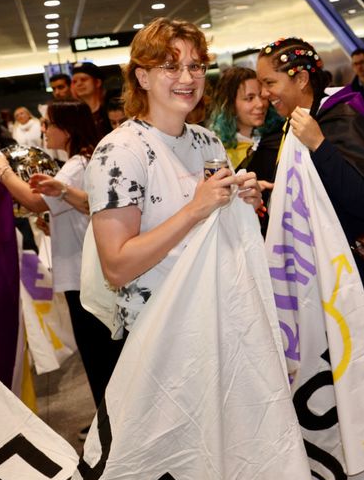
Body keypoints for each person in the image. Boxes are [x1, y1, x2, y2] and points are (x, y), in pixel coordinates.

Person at [252, 38, 364, 480]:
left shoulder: (340, 118)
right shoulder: (293, 126)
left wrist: (319, 145)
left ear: (300, 79)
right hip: (325, 285)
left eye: (271, 82)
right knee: (343, 386)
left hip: (360, 283)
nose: (266, 93)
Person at [85, 19, 259, 337]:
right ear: (143, 77)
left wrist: (243, 200)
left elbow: (218, 223)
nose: (187, 78)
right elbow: (117, 267)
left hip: (215, 315)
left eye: (195, 66)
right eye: (171, 66)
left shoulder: (207, 142)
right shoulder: (120, 152)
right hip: (157, 331)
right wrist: (194, 210)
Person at [0, 101, 122, 413]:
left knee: (97, 355)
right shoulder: (82, 160)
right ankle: (109, 420)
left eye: (48, 124)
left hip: (82, 274)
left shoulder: (76, 165)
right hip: (85, 268)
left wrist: (3, 171)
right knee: (101, 353)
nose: (43, 130)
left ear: (68, 128)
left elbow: (34, 201)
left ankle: (109, 423)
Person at [208, 66, 269, 169]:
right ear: (230, 104)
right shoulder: (215, 148)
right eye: (250, 98)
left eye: (262, 96)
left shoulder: (274, 139)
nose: (260, 104)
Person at [71, 61, 109, 135]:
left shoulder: (109, 108)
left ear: (98, 82)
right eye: (75, 81)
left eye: (83, 79)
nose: (78, 84)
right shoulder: (73, 114)